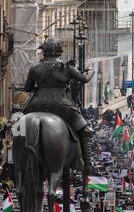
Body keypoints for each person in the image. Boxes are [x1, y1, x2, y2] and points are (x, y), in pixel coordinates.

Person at [21, 37, 96, 176]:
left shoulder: (34, 69)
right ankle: (88, 164)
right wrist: (91, 70)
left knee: (18, 128)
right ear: (58, 51)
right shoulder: (66, 68)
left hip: (36, 106)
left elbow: (28, 88)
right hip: (62, 105)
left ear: (44, 51)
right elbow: (84, 79)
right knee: (85, 130)